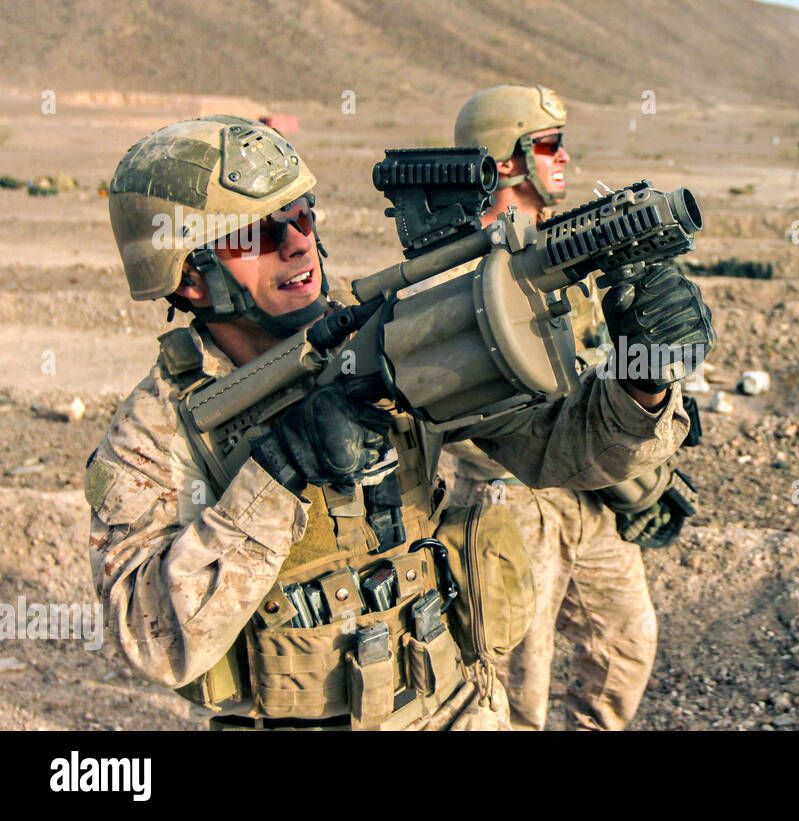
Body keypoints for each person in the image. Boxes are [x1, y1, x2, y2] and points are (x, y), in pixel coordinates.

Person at [85, 114, 713, 731]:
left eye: (302, 215)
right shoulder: (158, 431)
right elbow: (152, 639)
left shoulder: (379, 342)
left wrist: (643, 378)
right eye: (257, 234)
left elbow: (561, 451)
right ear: (190, 277)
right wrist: (277, 474)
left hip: (455, 706)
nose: (298, 241)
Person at [441, 84, 686, 730]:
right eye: (549, 144)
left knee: (626, 646)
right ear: (504, 161)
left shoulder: (553, 246)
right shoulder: (459, 268)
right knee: (518, 687)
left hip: (581, 489)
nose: (565, 157)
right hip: (509, 496)